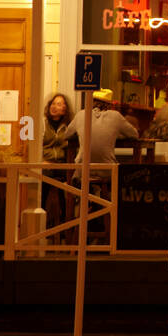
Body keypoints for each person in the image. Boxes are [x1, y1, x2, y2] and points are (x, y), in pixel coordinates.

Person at [57, 88, 138, 243]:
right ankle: (109, 235)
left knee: (85, 190)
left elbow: (67, 135)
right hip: (107, 172)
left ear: (91, 102)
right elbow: (134, 134)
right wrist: (116, 134)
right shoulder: (116, 116)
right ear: (110, 104)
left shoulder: (81, 115)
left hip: (82, 173)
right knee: (115, 188)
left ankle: (83, 230)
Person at [40, 92, 78, 244]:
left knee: (66, 192)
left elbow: (74, 147)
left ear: (65, 109)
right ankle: (42, 228)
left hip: (62, 165)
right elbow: (33, 144)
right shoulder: (42, 124)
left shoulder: (69, 126)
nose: (55, 107)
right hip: (44, 164)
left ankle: (64, 230)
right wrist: (41, 160)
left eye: (60, 104)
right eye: (53, 103)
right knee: (43, 188)